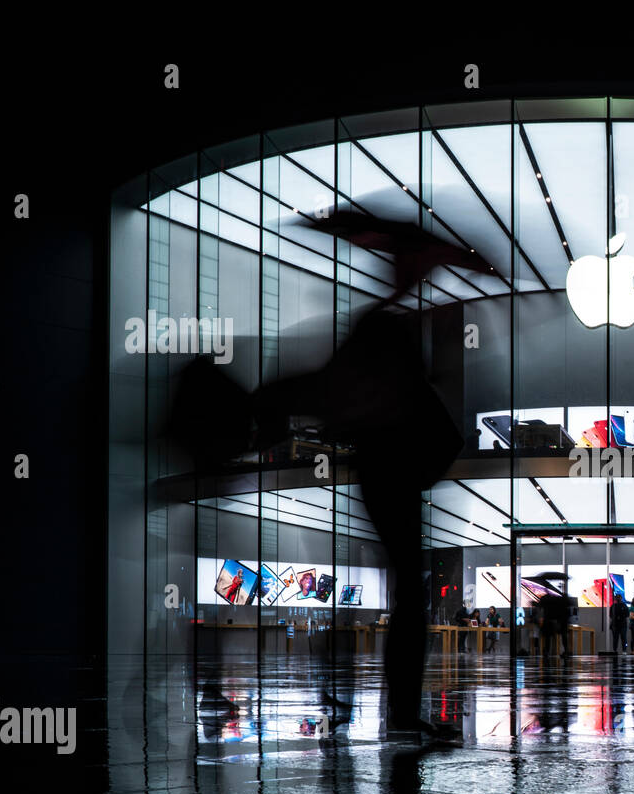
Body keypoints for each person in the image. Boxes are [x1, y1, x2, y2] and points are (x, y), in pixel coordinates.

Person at [169, 211, 494, 742]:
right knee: (409, 594)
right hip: (388, 464)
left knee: (408, 591)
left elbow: (337, 393)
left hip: (386, 462)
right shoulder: (382, 333)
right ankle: (403, 718)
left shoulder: (383, 331)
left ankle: (404, 717)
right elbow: (344, 393)